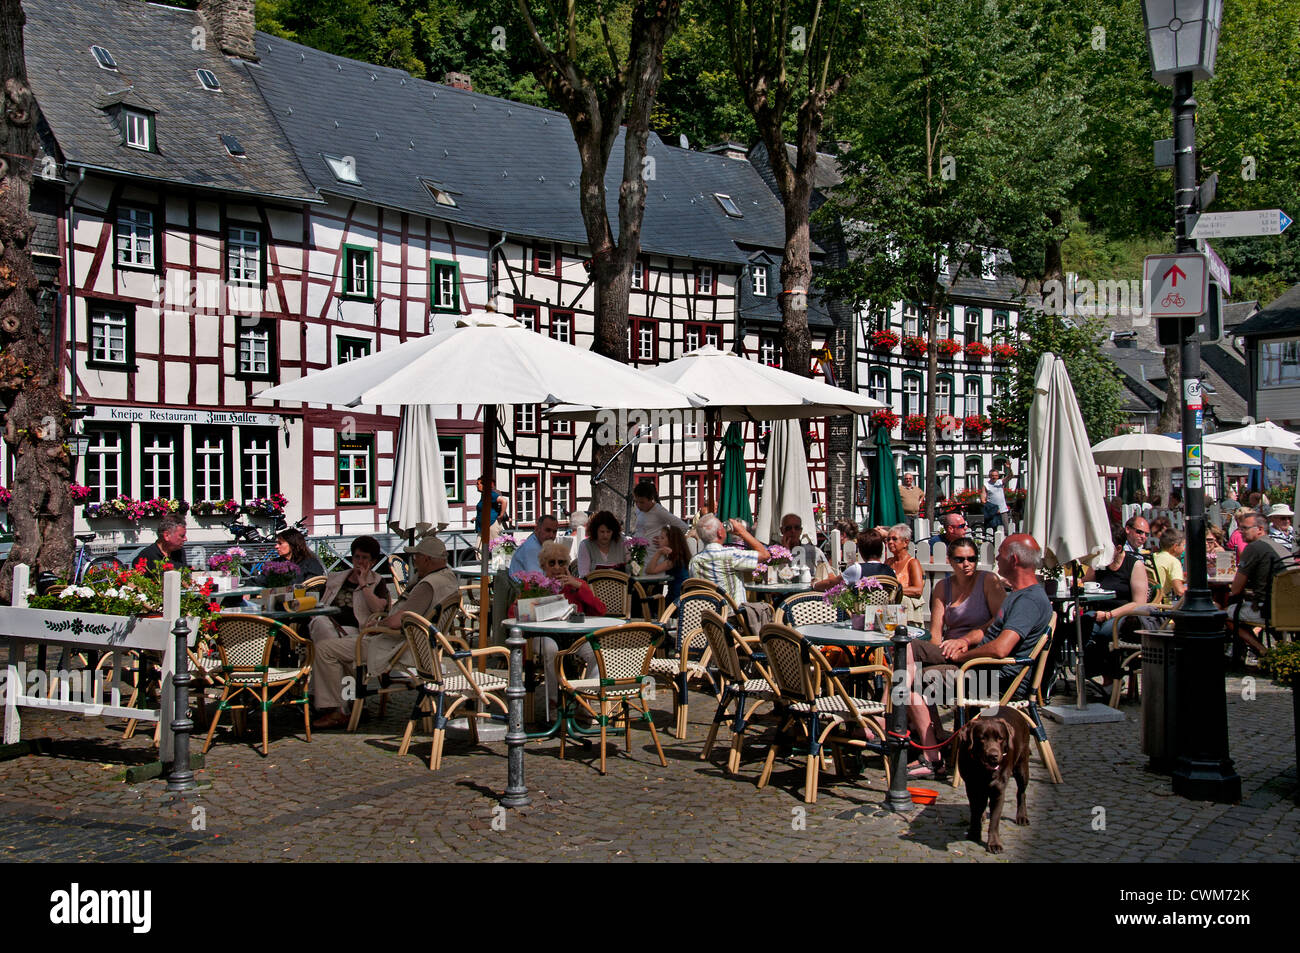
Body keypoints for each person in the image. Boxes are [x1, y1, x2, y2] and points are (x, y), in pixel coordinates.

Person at [904, 534, 1053, 777]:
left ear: (1013, 559)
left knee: (916, 681)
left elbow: (1000, 648)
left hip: (996, 681)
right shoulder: (1020, 594)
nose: (995, 558)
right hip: (982, 667)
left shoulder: (1028, 601)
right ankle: (931, 737)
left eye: (1000, 554)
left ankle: (931, 753)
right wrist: (963, 644)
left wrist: (964, 656)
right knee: (907, 651)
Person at [311, 535, 458, 728]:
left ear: (427, 559)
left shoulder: (425, 585)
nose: (414, 561)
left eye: (417, 557)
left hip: (395, 645)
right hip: (412, 642)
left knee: (325, 650)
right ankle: (346, 702)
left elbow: (397, 619)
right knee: (328, 635)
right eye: (356, 557)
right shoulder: (447, 578)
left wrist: (376, 626)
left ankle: (336, 708)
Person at [513, 540, 602, 719]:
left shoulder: (575, 585)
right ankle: (553, 702)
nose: (556, 567)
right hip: (543, 636)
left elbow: (600, 610)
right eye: (551, 562)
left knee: (596, 651)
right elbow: (515, 612)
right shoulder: (535, 585)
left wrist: (579, 587)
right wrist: (535, 600)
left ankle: (585, 699)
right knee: (551, 649)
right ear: (543, 565)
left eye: (561, 563)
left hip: (573, 637)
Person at [1081, 527, 1151, 689]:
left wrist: (1110, 614)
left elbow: (1139, 602)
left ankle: (1111, 679)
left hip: (1126, 614)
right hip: (1099, 610)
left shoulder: (1134, 565)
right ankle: (1100, 675)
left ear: (1118, 548)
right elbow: (1084, 583)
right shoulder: (1100, 564)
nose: (1101, 551)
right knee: (1082, 625)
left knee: (1105, 632)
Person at [926, 537, 1007, 652]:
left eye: (971, 559)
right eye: (959, 560)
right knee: (911, 649)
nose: (966, 564)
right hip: (950, 649)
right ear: (950, 561)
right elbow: (935, 632)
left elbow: (1000, 618)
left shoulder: (988, 581)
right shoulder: (942, 586)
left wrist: (967, 640)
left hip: (979, 649)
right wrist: (934, 655)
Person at [308, 535, 392, 645]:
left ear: (373, 562)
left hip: (356, 629)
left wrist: (363, 584)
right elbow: (318, 601)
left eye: (364, 557)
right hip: (328, 624)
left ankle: (330, 654)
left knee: (323, 632)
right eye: (357, 557)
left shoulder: (377, 581)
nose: (360, 561)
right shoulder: (335, 577)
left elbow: (378, 609)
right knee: (319, 622)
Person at [1226, 512, 1287, 657]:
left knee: (1226, 614)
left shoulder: (1254, 548)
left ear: (1259, 529)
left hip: (1270, 610)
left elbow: (1235, 589)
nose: (1240, 532)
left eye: (1244, 528)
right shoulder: (1279, 547)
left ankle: (1264, 652)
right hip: (1291, 608)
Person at [688, 515, 770, 605]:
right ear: (720, 533)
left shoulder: (694, 561)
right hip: (732, 615)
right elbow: (765, 555)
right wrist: (742, 532)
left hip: (706, 615)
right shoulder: (731, 555)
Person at [814, 529, 894, 591]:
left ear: (861, 551)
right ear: (881, 549)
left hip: (860, 610)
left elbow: (831, 583)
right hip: (884, 611)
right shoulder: (890, 571)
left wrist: (815, 585)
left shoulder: (857, 569)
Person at [631, 481, 687, 558]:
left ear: (651, 499)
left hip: (655, 556)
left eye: (642, 502)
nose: (638, 505)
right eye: (636, 501)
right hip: (639, 554)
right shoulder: (638, 510)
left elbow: (683, 527)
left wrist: (668, 540)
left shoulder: (659, 511)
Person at [884, 523, 926, 624]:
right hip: (890, 611)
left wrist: (894, 590)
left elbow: (917, 590)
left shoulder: (912, 563)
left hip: (907, 614)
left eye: (894, 539)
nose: (890, 542)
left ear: (906, 542)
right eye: (888, 539)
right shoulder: (888, 562)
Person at [257, 527, 324, 585]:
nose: (276, 546)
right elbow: (260, 581)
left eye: (280, 543)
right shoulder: (276, 563)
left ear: (292, 544)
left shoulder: (310, 564)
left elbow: (313, 586)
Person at [645, 524, 692, 604]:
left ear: (671, 541)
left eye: (662, 538)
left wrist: (658, 552)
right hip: (682, 598)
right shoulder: (681, 556)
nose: (659, 540)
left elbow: (650, 570)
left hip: (675, 601)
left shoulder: (674, 560)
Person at [778, 512, 829, 580]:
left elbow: (829, 574)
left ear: (801, 530)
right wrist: (785, 552)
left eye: (797, 528)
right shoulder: (775, 554)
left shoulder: (814, 551)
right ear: (782, 530)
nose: (793, 531)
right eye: (788, 528)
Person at [577, 510, 627, 576]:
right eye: (602, 532)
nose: (605, 535)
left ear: (614, 531)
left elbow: (629, 568)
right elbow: (584, 574)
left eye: (608, 532)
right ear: (595, 531)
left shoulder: (622, 542)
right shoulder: (585, 545)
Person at [510, 514, 560, 579]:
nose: (551, 535)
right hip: (520, 588)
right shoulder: (532, 548)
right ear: (536, 529)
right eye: (548, 530)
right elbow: (536, 580)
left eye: (554, 532)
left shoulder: (540, 543)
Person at [1152, 529, 1187, 605]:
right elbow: (1179, 591)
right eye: (1183, 545)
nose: (1184, 549)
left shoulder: (1153, 557)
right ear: (1175, 547)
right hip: (1163, 608)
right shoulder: (1173, 562)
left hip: (1150, 603)